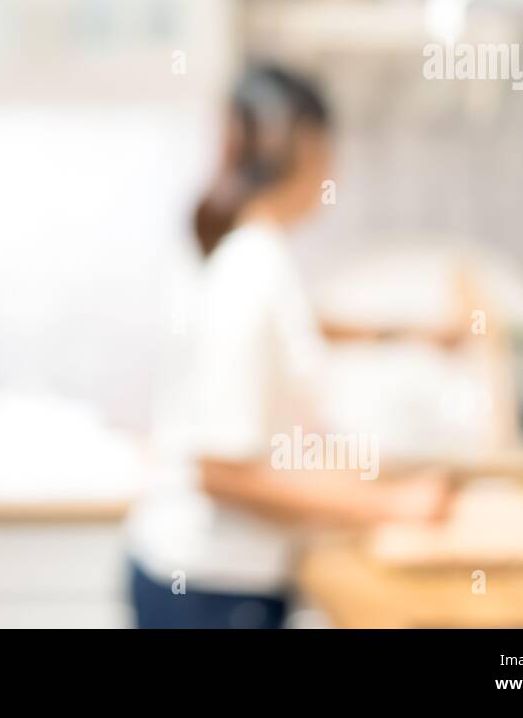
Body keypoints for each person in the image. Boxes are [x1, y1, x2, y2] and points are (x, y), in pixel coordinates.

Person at [126, 63, 454, 629]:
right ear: (306, 146)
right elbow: (218, 471)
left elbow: (300, 328)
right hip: (209, 591)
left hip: (208, 581)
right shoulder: (251, 269)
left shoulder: (252, 253)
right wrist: (390, 504)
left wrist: (407, 332)